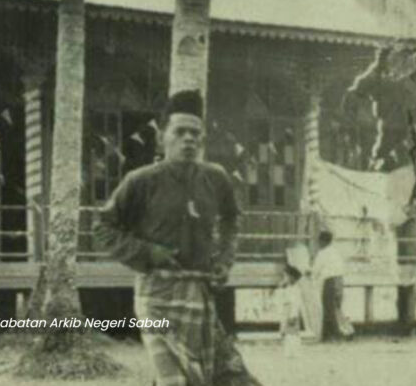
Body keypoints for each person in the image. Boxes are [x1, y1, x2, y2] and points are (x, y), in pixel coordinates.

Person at [96, 90, 261, 386]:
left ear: (202, 140)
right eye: (180, 132)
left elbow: (232, 219)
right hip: (157, 295)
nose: (188, 139)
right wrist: (148, 253)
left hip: (200, 293)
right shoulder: (141, 181)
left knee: (234, 379)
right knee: (175, 381)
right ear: (162, 137)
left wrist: (224, 259)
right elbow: (104, 227)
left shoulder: (216, 177)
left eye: (195, 133)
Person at [312, 229, 354, 340]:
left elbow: (316, 270)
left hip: (329, 281)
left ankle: (333, 334)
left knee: (328, 308)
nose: (318, 244)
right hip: (339, 280)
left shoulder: (322, 253)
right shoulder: (335, 252)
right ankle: (347, 330)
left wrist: (310, 275)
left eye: (319, 241)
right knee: (337, 307)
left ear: (323, 241)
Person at [276, 265, 305, 358]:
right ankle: (288, 351)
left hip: (292, 311)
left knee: (292, 333)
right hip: (286, 310)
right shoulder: (286, 289)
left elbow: (296, 303)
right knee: (285, 331)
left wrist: (293, 314)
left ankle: (294, 352)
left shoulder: (296, 289)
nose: (285, 278)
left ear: (292, 278)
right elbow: (279, 299)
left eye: (286, 276)